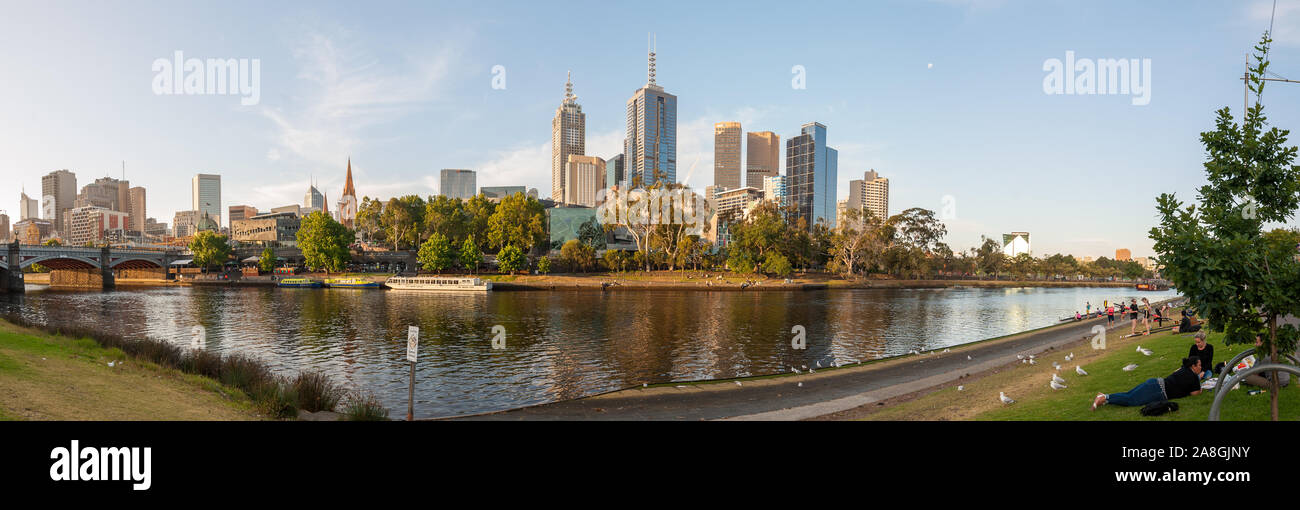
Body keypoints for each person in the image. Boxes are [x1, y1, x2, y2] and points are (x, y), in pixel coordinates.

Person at [1092, 357, 1204, 410]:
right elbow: (1195, 394)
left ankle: (1105, 399)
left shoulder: (1183, 369)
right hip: (1158, 392)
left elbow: (1174, 374)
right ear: (1193, 366)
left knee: (1129, 395)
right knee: (1132, 401)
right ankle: (1104, 397)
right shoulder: (1193, 378)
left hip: (1155, 382)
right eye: (1199, 365)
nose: (1201, 367)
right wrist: (1199, 382)